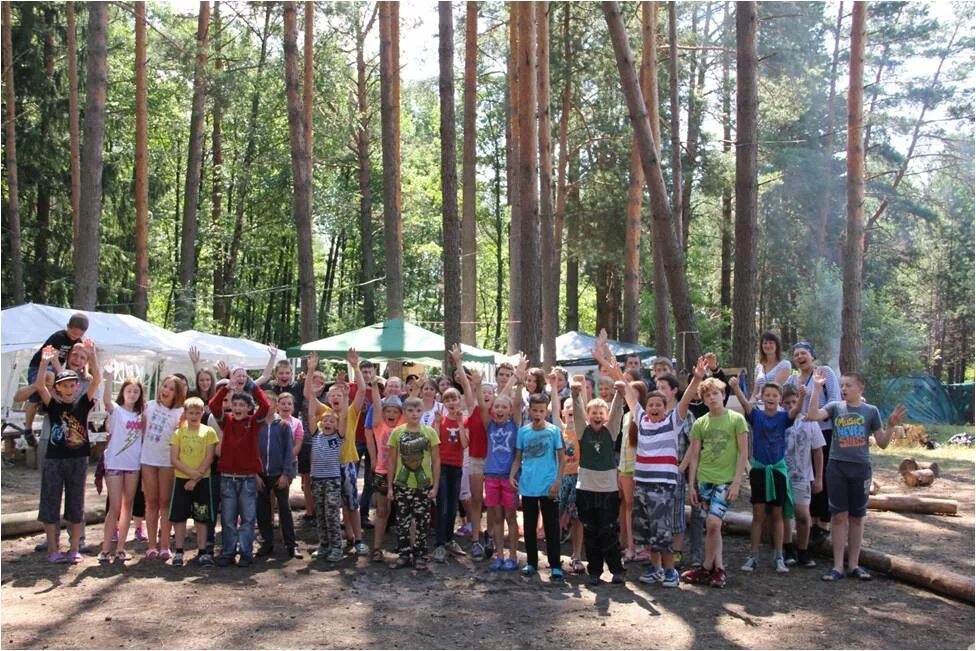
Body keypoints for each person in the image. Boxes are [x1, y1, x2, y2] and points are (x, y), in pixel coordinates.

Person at [806, 369, 906, 581]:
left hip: (860, 469)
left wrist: (890, 426)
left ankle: (853, 565)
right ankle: (837, 567)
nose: (843, 389)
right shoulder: (835, 407)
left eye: (848, 385)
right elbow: (812, 415)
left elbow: (882, 443)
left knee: (857, 517)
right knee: (838, 516)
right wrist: (816, 388)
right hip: (837, 468)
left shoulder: (871, 411)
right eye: (842, 385)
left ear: (861, 388)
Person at [616, 355, 702, 588]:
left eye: (658, 405)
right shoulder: (641, 420)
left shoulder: (673, 422)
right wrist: (613, 368)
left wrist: (696, 379)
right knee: (646, 530)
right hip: (642, 484)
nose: (654, 408)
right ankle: (655, 569)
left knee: (662, 530)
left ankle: (670, 571)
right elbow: (629, 393)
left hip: (663, 487)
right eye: (651, 404)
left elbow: (686, 399)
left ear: (665, 409)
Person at [729, 376, 804, 574]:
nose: (771, 398)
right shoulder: (756, 416)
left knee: (778, 514)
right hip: (760, 470)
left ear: (780, 399)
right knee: (758, 514)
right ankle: (753, 555)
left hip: (778, 470)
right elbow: (745, 404)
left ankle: (779, 555)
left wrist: (803, 396)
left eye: (774, 395)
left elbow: (796, 410)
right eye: (767, 395)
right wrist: (736, 388)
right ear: (762, 397)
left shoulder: (784, 417)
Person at [33, 344, 101, 563]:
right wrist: (44, 362)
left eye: (73, 385)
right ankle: (53, 550)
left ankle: (74, 549)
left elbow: (96, 380)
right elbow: (40, 386)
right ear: (58, 389)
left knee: (76, 504)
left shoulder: (83, 403)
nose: (70, 388)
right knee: (50, 502)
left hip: (78, 460)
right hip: (54, 460)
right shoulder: (53, 405)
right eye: (65, 385)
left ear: (77, 386)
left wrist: (93, 357)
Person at [681, 371, 749, 589]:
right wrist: (691, 485)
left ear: (723, 395)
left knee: (713, 522)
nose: (712, 397)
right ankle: (715, 569)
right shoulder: (700, 423)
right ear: (703, 399)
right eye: (707, 395)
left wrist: (737, 482)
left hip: (726, 481)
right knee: (713, 527)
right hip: (705, 480)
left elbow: (743, 452)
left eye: (715, 393)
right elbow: (694, 455)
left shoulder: (736, 419)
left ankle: (708, 566)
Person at [567, 371, 626, 586]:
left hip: (608, 490)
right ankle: (594, 571)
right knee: (590, 530)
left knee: (608, 530)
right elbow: (578, 412)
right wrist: (575, 395)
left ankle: (617, 570)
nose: (597, 416)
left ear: (606, 416)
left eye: (601, 412)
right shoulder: (583, 431)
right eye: (593, 412)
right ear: (588, 415)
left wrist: (620, 394)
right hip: (586, 489)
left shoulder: (611, 431)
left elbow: (617, 412)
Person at [208, 363, 271, 567]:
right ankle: (228, 552)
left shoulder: (254, 423)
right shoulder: (226, 421)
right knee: (227, 519)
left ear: (249, 408)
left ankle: (245, 553)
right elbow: (213, 406)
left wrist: (251, 384)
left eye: (242, 405)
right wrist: (227, 386)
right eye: (234, 405)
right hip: (227, 478)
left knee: (247, 518)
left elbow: (266, 406)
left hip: (248, 480)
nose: (237, 409)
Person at [786, 341, 841, 544]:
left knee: (822, 475)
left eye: (804, 353)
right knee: (807, 475)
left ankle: (823, 523)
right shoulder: (793, 379)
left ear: (812, 356)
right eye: (796, 354)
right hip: (802, 434)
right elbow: (787, 401)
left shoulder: (824, 372)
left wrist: (817, 416)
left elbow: (835, 400)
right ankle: (810, 521)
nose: (800, 357)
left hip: (824, 430)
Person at [510, 393, 566, 583]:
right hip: (528, 486)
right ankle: (532, 562)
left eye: (541, 410)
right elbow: (518, 458)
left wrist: (557, 482)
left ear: (546, 411)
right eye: (534, 410)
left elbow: (562, 459)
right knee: (529, 525)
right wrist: (511, 475)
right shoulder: (523, 432)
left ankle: (555, 565)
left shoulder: (554, 431)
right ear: (529, 410)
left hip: (548, 486)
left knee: (552, 526)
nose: (538, 414)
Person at [386, 396, 441, 570]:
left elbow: (436, 460)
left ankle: (421, 555)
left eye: (418, 410)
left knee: (422, 522)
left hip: (423, 486)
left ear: (423, 412)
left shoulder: (430, 433)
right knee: (402, 522)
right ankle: (404, 555)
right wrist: (390, 487)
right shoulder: (397, 432)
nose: (414, 414)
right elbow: (391, 461)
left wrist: (435, 486)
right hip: (402, 485)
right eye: (410, 410)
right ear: (404, 412)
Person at [98, 374, 146, 563]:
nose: (132, 394)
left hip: (133, 464)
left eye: (136, 392)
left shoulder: (142, 414)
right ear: (123, 392)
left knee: (128, 506)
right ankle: (105, 549)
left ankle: (120, 548)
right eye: (129, 391)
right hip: (115, 464)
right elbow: (106, 400)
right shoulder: (116, 410)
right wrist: (108, 378)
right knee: (115, 506)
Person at [167, 397, 219, 567]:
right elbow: (174, 459)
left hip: (202, 481)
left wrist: (196, 478)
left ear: (202, 413)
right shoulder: (178, 433)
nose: (194, 416)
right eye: (191, 412)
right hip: (182, 480)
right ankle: (179, 551)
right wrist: (191, 476)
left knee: (201, 517)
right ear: (185, 413)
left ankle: (203, 551)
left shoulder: (209, 432)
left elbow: (209, 457)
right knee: (179, 517)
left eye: (197, 412)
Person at [140, 374, 186, 560]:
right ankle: (151, 545)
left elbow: (181, 438)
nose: (166, 390)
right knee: (151, 502)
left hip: (167, 462)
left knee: (165, 502)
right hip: (148, 460)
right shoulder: (149, 406)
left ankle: (165, 546)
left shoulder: (180, 412)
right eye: (164, 386)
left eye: (171, 389)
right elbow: (141, 430)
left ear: (177, 393)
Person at [780, 383, 824, 568]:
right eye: (787, 403)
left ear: (800, 401)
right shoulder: (780, 421)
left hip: (803, 476)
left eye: (794, 401)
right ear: (782, 403)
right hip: (783, 474)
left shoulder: (810, 422)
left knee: (803, 515)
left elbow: (818, 451)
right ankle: (787, 548)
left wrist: (819, 478)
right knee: (785, 514)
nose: (791, 405)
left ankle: (803, 550)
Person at [24, 313, 89, 435]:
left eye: (79, 335)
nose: (75, 336)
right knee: (34, 397)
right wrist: (61, 373)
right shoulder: (58, 337)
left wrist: (85, 372)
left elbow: (84, 355)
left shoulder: (78, 341)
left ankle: (47, 402)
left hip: (54, 369)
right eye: (73, 333)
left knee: (55, 380)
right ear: (67, 327)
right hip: (39, 366)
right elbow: (53, 357)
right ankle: (28, 428)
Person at [255, 392, 299, 559]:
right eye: (263, 402)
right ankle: (267, 542)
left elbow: (289, 452)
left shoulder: (283, 425)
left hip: (278, 474)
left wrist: (286, 474)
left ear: (275, 405)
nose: (267, 405)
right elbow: (252, 451)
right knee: (262, 509)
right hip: (261, 474)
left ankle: (291, 544)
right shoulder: (257, 425)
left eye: (270, 402)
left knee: (284, 508)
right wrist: (255, 474)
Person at [432, 386, 468, 562]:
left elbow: (465, 444)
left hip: (456, 466)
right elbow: (434, 441)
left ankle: (448, 540)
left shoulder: (464, 420)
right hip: (441, 466)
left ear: (459, 401)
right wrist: (438, 423)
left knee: (453, 506)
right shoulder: (441, 419)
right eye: (447, 400)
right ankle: (439, 543)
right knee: (443, 505)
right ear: (444, 403)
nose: (451, 403)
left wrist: (460, 423)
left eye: (454, 399)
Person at [555, 389, 585, 575]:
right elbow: (553, 410)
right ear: (563, 412)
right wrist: (553, 386)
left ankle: (577, 555)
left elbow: (583, 406)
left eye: (574, 406)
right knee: (556, 516)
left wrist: (579, 391)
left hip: (579, 477)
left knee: (576, 518)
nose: (571, 409)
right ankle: (555, 555)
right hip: (562, 477)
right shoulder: (559, 431)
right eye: (567, 407)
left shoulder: (583, 430)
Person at [750, 332, 792, 404]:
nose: (767, 345)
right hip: (759, 406)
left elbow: (774, 387)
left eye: (771, 342)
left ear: (776, 345)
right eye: (765, 343)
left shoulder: (785, 365)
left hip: (776, 406)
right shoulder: (758, 367)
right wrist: (749, 404)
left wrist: (758, 397)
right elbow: (754, 393)